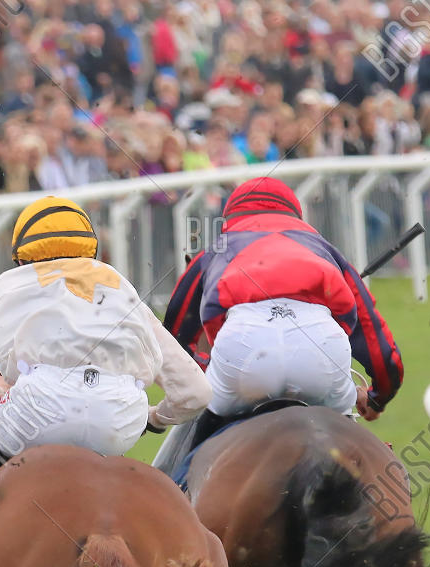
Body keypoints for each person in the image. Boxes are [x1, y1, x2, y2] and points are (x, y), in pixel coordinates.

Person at [0, 195, 211, 567]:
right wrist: (152, 418)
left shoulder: (7, 285)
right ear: (89, 248)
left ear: (22, 254)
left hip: (36, 415)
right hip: (120, 419)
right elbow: (196, 393)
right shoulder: (120, 286)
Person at [161, 177, 404, 462]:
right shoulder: (324, 250)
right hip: (321, 350)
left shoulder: (213, 249)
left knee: (197, 427)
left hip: (243, 353)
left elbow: (174, 341)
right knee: (357, 457)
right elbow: (376, 340)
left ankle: (176, 490)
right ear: (294, 216)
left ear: (230, 218)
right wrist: (377, 396)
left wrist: (205, 369)